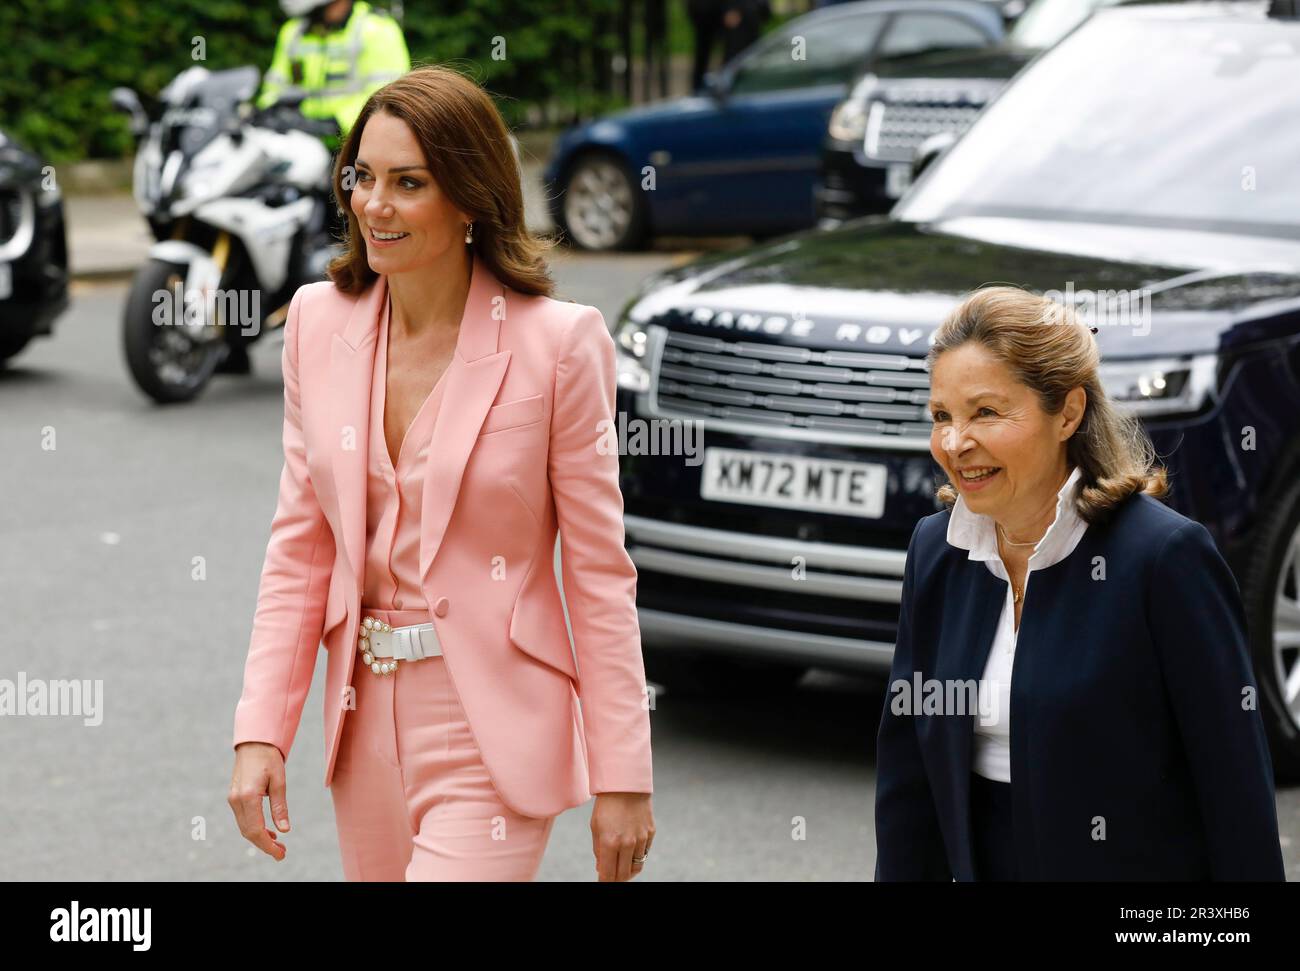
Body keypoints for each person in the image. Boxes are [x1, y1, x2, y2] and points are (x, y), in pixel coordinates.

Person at [229, 65, 656, 881]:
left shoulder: (559, 344)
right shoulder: (317, 325)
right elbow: (301, 549)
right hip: (362, 720)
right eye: (363, 178)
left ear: (468, 197)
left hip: (488, 724)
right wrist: (261, 731)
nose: (373, 205)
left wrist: (623, 774)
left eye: (407, 183)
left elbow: (600, 574)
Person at [874, 286, 1284, 881]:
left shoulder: (1163, 559)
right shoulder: (937, 551)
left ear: (1067, 412)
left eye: (986, 412)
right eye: (942, 416)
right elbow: (908, 778)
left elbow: (1234, 792)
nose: (955, 443)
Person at [256, 0, 410, 142]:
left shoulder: (377, 29)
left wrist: (336, 123)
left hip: (355, 143)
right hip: (301, 139)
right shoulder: (293, 31)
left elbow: (388, 96)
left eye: (317, 11)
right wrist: (267, 110)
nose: (312, 19)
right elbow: (275, 85)